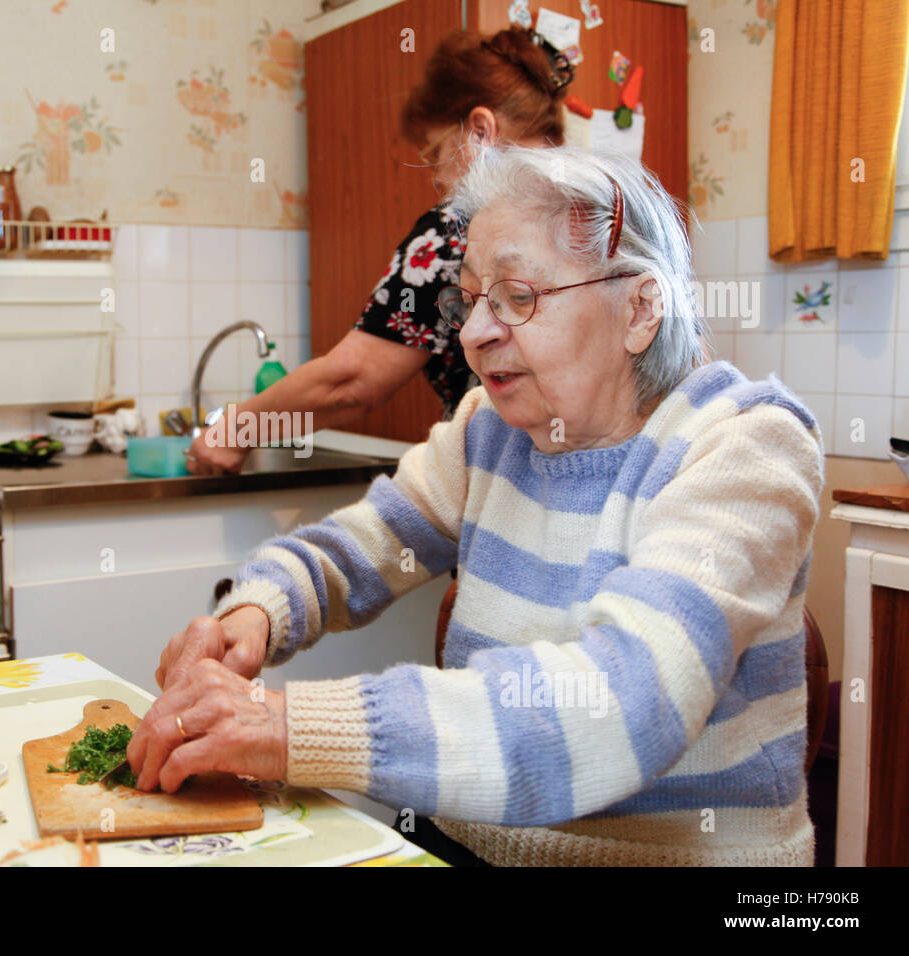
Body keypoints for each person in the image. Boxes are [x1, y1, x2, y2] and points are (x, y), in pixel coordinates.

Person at [127, 143, 824, 867]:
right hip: (460, 845)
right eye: (470, 298)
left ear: (640, 308)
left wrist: (288, 726)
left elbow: (622, 704)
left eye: (518, 297)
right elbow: (358, 548)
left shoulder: (746, 446)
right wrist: (254, 613)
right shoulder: (489, 430)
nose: (471, 332)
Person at [185, 25, 571, 476]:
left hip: (511, 489)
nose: (437, 179)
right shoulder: (603, 211)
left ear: (480, 131)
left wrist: (236, 429)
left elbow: (352, 383)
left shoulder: (459, 230)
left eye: (436, 153)